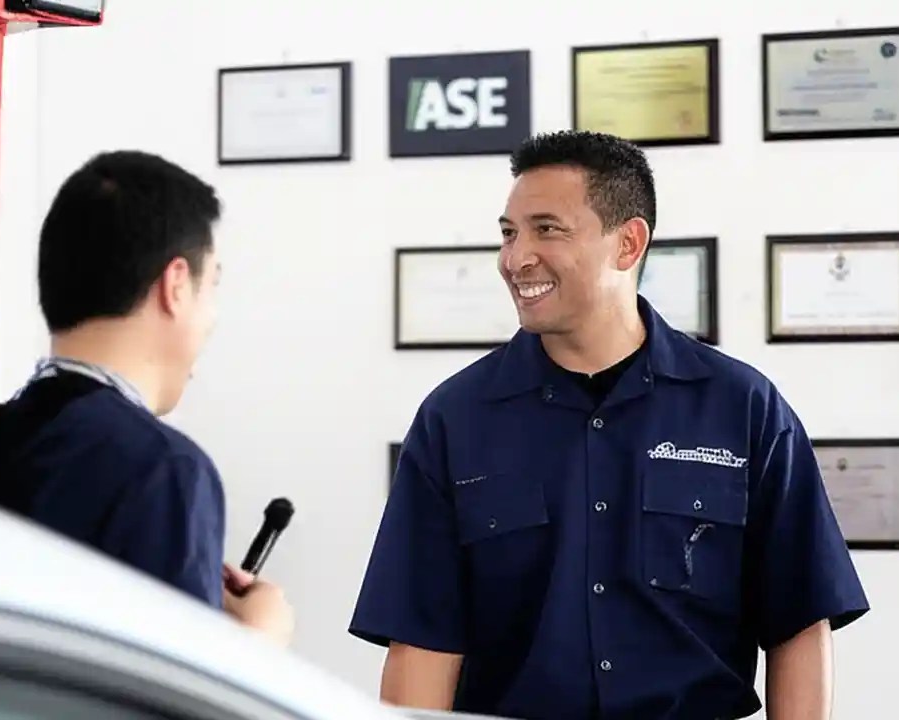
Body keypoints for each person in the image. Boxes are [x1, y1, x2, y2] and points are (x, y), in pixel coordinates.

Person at [349, 130, 869, 719]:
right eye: (509, 232)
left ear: (629, 243)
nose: (516, 257)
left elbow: (798, 621)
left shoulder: (743, 407)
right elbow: (422, 642)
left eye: (547, 229)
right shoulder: (455, 418)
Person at [0, 150, 292, 646]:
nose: (213, 317)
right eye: (212, 286)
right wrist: (260, 644)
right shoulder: (166, 470)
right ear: (176, 285)